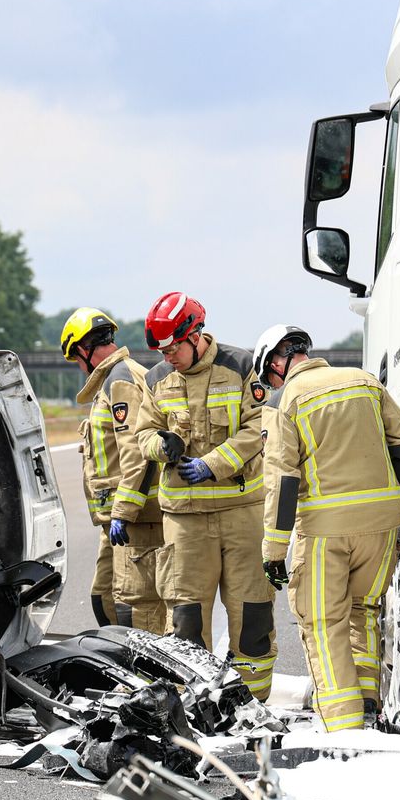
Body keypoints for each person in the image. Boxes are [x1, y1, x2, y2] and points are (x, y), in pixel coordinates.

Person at [253, 323, 400, 731]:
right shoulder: (363, 381)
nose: (271, 382)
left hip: (327, 529)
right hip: (381, 524)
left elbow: (283, 481)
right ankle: (367, 705)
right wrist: (383, 494)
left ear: (277, 361)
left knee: (323, 621)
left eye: (268, 375)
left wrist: (274, 551)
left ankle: (344, 728)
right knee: (363, 611)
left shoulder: (284, 399)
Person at [135, 291, 277, 699]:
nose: (169, 356)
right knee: (185, 617)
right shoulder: (155, 379)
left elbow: (258, 427)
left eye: (174, 347)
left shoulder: (242, 367)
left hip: (241, 513)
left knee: (252, 613)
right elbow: (141, 435)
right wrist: (160, 445)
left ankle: (253, 702)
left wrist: (213, 464)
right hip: (185, 518)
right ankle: (193, 704)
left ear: (196, 334)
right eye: (162, 350)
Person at [61, 307, 166, 633]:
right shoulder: (113, 379)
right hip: (118, 521)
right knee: (104, 597)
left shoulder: (121, 380)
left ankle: (148, 680)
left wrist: (123, 511)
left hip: (135, 518)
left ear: (84, 349)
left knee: (135, 608)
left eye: (76, 359)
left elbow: (138, 451)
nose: (79, 368)